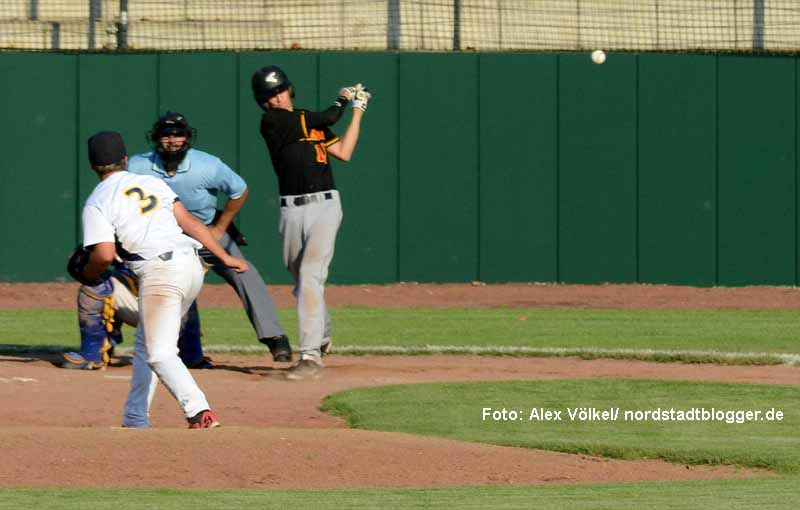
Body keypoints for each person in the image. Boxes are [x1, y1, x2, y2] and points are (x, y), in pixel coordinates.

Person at [74, 130, 247, 429]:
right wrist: (225, 256)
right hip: (191, 267)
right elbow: (191, 222)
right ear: (125, 160)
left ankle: (199, 411)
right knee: (147, 343)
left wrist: (88, 275)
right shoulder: (151, 183)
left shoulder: (98, 199)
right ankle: (135, 417)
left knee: (160, 353)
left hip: (160, 274)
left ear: (92, 167)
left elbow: (103, 255)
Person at [127, 112, 292, 362]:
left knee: (244, 273)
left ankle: (275, 337)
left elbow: (240, 190)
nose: (172, 140)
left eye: (178, 134)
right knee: (173, 288)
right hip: (162, 240)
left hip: (206, 232)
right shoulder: (138, 166)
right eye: (166, 134)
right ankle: (186, 352)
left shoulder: (206, 164)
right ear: (156, 138)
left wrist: (221, 227)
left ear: (188, 138)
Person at [251, 65, 370, 379]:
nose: (276, 98)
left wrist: (357, 111)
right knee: (301, 279)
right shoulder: (273, 121)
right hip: (291, 210)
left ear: (289, 89)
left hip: (325, 206)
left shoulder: (306, 119)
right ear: (263, 102)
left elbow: (343, 152)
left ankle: (310, 356)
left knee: (309, 275)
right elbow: (329, 117)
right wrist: (343, 99)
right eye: (269, 95)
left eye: (279, 91)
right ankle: (322, 332)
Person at [62, 252, 211, 370]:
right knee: (96, 286)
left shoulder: (173, 234)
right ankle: (92, 355)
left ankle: (190, 354)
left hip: (169, 309)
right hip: (138, 303)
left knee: (182, 292)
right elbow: (90, 259)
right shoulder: (121, 234)